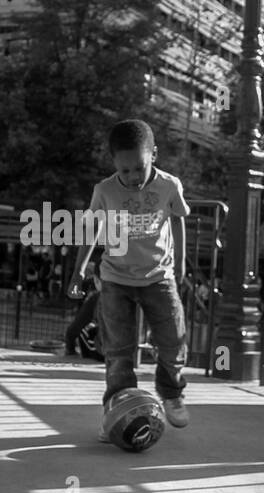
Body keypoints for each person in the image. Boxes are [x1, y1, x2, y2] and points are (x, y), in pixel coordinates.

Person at [69, 119, 191, 439]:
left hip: (159, 275)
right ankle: (118, 409)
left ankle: (171, 390)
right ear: (114, 165)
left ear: (154, 155)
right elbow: (93, 230)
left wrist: (179, 264)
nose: (133, 177)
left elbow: (178, 220)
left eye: (139, 168)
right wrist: (79, 269)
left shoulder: (169, 185)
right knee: (118, 350)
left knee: (173, 339)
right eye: (124, 171)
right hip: (115, 278)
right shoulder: (104, 191)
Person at [64, 249, 104, 358]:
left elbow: (73, 330)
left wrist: (70, 347)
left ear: (96, 280)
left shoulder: (97, 298)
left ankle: (72, 351)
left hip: (104, 352)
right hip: (132, 350)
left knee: (84, 330)